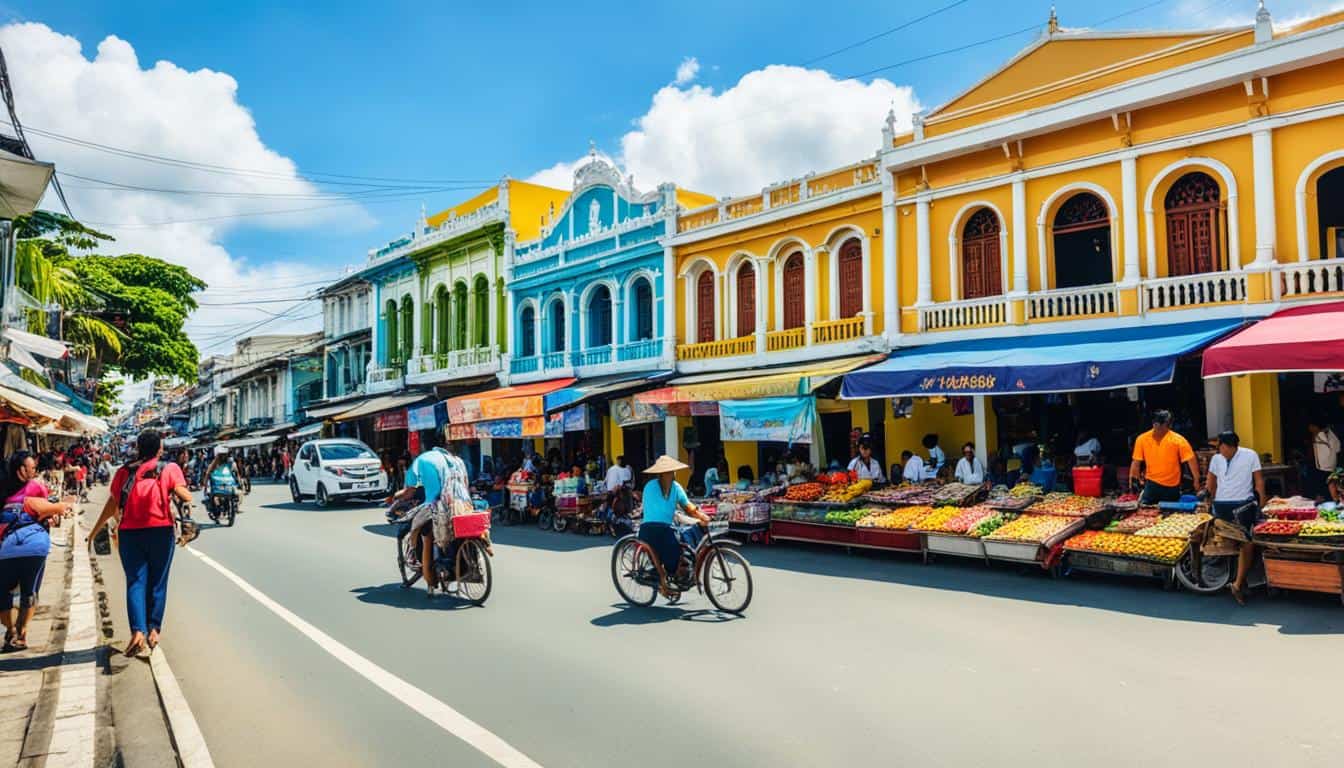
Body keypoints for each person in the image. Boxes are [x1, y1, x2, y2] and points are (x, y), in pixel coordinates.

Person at [88, 430, 193, 657]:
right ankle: (154, 631)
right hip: (160, 532)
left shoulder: (124, 472)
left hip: (130, 535)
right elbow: (185, 495)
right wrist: (185, 497)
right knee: (158, 583)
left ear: (137, 448)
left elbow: (113, 504)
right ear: (160, 449)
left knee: (135, 582)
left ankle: (137, 632)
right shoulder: (168, 468)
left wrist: (94, 530)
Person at [1, 452, 76, 652]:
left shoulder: (6, 492)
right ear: (21, 470)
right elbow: (52, 508)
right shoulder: (33, 489)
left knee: (4, 593)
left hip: (7, 548)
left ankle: (10, 630)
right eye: (32, 468)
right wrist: (60, 509)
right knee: (29, 591)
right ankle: (21, 633)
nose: (35, 471)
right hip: (36, 546)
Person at [1205, 431, 1265, 605]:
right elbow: (1211, 483)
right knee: (1246, 543)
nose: (1220, 450)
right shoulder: (1216, 459)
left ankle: (1239, 582)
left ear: (1230, 446)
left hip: (1243, 505)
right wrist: (1209, 500)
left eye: (1221, 447)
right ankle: (1238, 583)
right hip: (1222, 506)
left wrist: (1262, 504)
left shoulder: (1250, 455)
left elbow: (1259, 481)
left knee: (1247, 542)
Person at [638, 455, 709, 585]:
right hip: (664, 533)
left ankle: (667, 571)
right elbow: (689, 508)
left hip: (645, 532)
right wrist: (702, 516)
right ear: (673, 473)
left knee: (674, 539)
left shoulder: (648, 486)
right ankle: (678, 572)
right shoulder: (676, 487)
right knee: (685, 539)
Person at [1129, 410, 1200, 505]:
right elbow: (1136, 462)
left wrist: (1196, 479)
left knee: (1170, 513)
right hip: (1151, 483)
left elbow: (1190, 459)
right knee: (1146, 511)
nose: (1157, 427)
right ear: (1153, 424)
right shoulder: (1142, 439)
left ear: (1168, 425)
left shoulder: (1178, 440)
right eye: (1155, 424)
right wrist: (1133, 480)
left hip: (1171, 485)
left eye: (1160, 425)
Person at [1308, 420, 1340, 501]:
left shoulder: (1318, 435)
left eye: (1311, 427)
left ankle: (1325, 500)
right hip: (1331, 464)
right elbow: (1338, 449)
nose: (1309, 429)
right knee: (1330, 485)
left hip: (1323, 466)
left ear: (1315, 427)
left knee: (1326, 485)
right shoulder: (1332, 435)